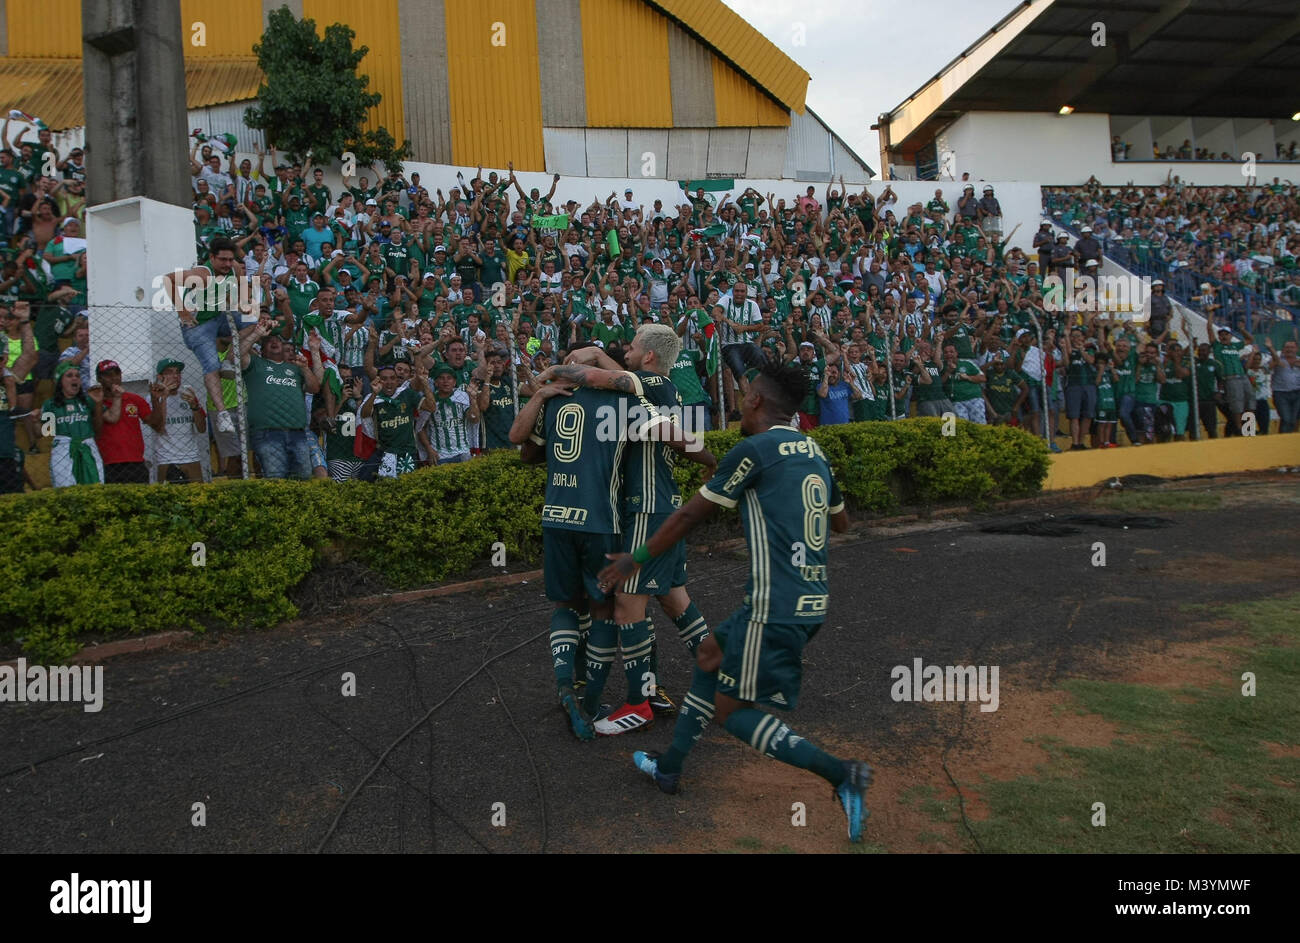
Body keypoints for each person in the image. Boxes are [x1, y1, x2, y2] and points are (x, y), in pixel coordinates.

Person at [597, 359, 872, 843]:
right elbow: (842, 523)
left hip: (774, 607)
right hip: (808, 599)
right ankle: (669, 768)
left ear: (756, 400)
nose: (739, 401)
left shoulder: (754, 450)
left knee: (732, 712)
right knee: (709, 656)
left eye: (743, 393)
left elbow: (687, 517)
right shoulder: (812, 449)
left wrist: (631, 561)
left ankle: (840, 773)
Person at [537, 325, 717, 734]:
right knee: (675, 602)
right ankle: (723, 678)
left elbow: (604, 379)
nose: (627, 353)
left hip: (645, 509)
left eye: (633, 348)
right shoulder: (659, 388)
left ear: (649, 357)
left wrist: (568, 365)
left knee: (626, 607)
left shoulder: (648, 383)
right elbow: (624, 380)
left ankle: (639, 703)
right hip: (663, 506)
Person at [508, 345, 647, 741]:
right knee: (602, 609)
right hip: (599, 519)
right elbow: (632, 382)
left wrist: (539, 392)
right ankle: (591, 704)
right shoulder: (620, 400)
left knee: (566, 605)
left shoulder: (554, 398)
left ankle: (567, 683)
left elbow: (518, 441)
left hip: (556, 518)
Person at [163, 235, 245, 437]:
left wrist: (237, 301)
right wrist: (182, 313)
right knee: (211, 366)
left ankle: (229, 361)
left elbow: (236, 294)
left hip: (217, 318)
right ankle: (222, 413)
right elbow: (168, 280)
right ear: (212, 258)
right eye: (223, 260)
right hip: (197, 325)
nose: (227, 264)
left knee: (255, 318)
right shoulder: (201, 274)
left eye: (230, 259)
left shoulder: (234, 269)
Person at [240, 315, 323, 479]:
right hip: (268, 433)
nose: (274, 341)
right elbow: (236, 354)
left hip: (297, 433)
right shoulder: (255, 364)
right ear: (262, 349)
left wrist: (306, 366)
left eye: (277, 339)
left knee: (304, 478)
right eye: (268, 340)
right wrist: (257, 333)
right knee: (276, 479)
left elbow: (315, 387)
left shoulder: (294, 367)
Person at [93, 360, 167, 483]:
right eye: (108, 375)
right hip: (107, 464)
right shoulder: (95, 403)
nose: (114, 378)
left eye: (117, 374)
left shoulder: (134, 399)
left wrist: (155, 400)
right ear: (99, 378)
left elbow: (156, 424)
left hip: (136, 462)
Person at [44, 360, 104, 487]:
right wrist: (36, 421)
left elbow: (99, 429)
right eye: (69, 375)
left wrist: (98, 404)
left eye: (77, 376)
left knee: (95, 487)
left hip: (88, 448)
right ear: (60, 381)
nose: (75, 379)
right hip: (63, 450)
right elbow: (46, 432)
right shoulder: (50, 404)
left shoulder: (88, 400)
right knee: (66, 490)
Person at [153, 358, 207, 483]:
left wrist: (194, 405)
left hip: (192, 457)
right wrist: (164, 397)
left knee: (198, 497)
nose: (175, 376)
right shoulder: (153, 398)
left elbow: (202, 428)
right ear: (160, 377)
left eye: (178, 372)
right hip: (166, 459)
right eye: (170, 372)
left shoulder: (188, 395)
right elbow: (159, 428)